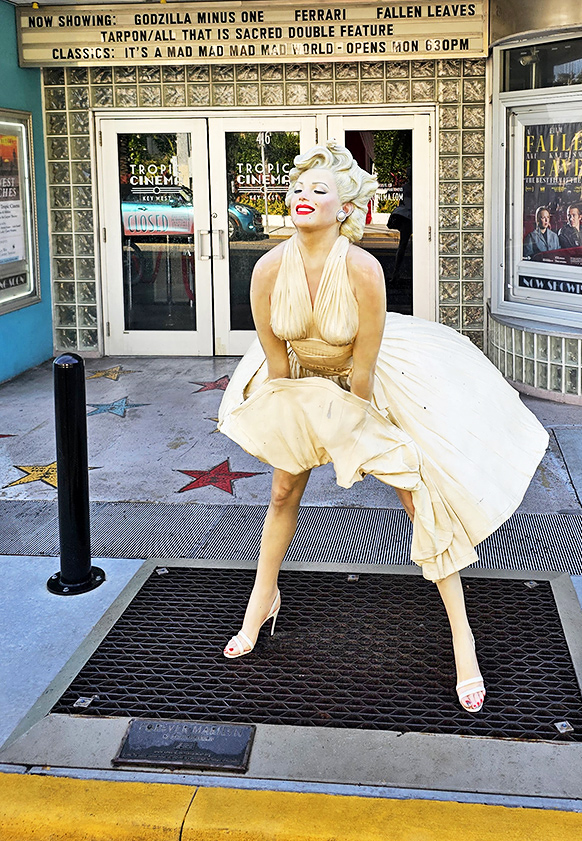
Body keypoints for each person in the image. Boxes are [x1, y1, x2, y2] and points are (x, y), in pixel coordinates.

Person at [218, 141, 548, 714]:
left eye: (320, 189)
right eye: (298, 188)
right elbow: (276, 364)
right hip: (297, 379)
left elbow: (364, 372)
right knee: (282, 491)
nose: (303, 196)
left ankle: (463, 639)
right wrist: (297, 429)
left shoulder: (363, 269)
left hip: (366, 383)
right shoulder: (268, 268)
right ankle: (261, 602)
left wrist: (355, 440)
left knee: (421, 500)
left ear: (345, 208)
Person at [388, 170, 412, 283]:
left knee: (402, 245)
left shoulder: (405, 188)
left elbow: (402, 203)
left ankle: (396, 273)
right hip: (414, 217)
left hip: (406, 218)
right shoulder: (417, 187)